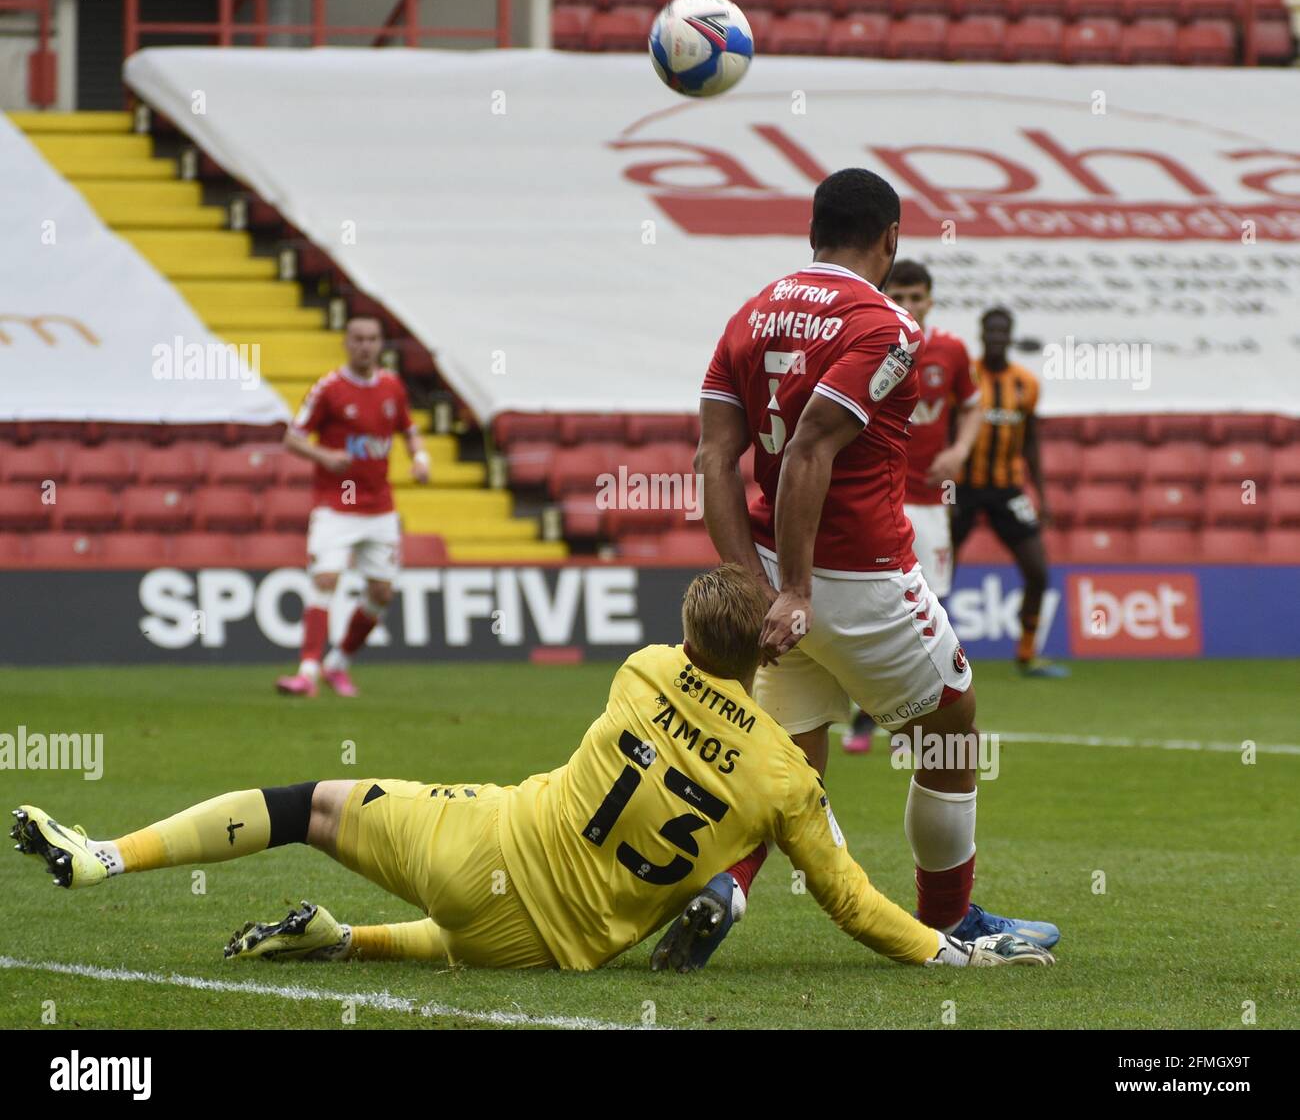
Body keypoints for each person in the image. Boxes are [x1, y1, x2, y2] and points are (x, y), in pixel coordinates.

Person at [10, 567, 1052, 974]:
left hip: (490, 843)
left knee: (307, 804)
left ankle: (104, 855)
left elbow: (700, 659)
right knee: (464, 936)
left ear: (687, 632)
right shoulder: (787, 781)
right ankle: (342, 941)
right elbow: (851, 899)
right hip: (560, 951)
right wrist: (944, 955)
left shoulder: (642, 670)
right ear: (769, 653)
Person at [680, 169, 1058, 971]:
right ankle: (951, 919)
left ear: (812, 231)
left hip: (774, 562)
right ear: (891, 238)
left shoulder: (749, 314)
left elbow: (715, 456)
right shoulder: (884, 323)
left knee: (791, 762)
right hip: (855, 571)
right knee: (952, 728)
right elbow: (815, 446)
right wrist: (796, 592)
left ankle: (725, 888)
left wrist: (753, 583)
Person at [843, 259, 982, 754]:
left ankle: (915, 724)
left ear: (930, 299)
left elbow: (972, 404)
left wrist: (961, 449)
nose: (908, 305)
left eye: (916, 296)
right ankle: (863, 722)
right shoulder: (868, 344)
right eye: (897, 295)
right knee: (879, 602)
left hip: (928, 501)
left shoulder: (950, 350)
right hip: (877, 495)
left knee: (931, 607)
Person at [276, 315, 430, 698]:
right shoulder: (328, 389)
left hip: (379, 508)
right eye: (358, 338)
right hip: (336, 506)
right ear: (346, 343)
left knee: (381, 594)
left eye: (373, 338)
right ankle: (306, 673)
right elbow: (292, 438)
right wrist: (324, 456)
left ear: (380, 344)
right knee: (326, 579)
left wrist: (420, 457)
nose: (365, 345)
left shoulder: (392, 387)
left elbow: (408, 430)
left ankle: (338, 664)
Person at [952, 308, 1067, 678]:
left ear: (1010, 336)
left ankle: (1027, 653)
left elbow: (1031, 440)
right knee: (939, 573)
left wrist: (1043, 496)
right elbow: (944, 429)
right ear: (982, 334)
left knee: (1037, 570)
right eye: (991, 331)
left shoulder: (1026, 384)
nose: (996, 338)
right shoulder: (966, 375)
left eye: (1003, 332)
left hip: (1007, 489)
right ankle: (930, 655)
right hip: (963, 488)